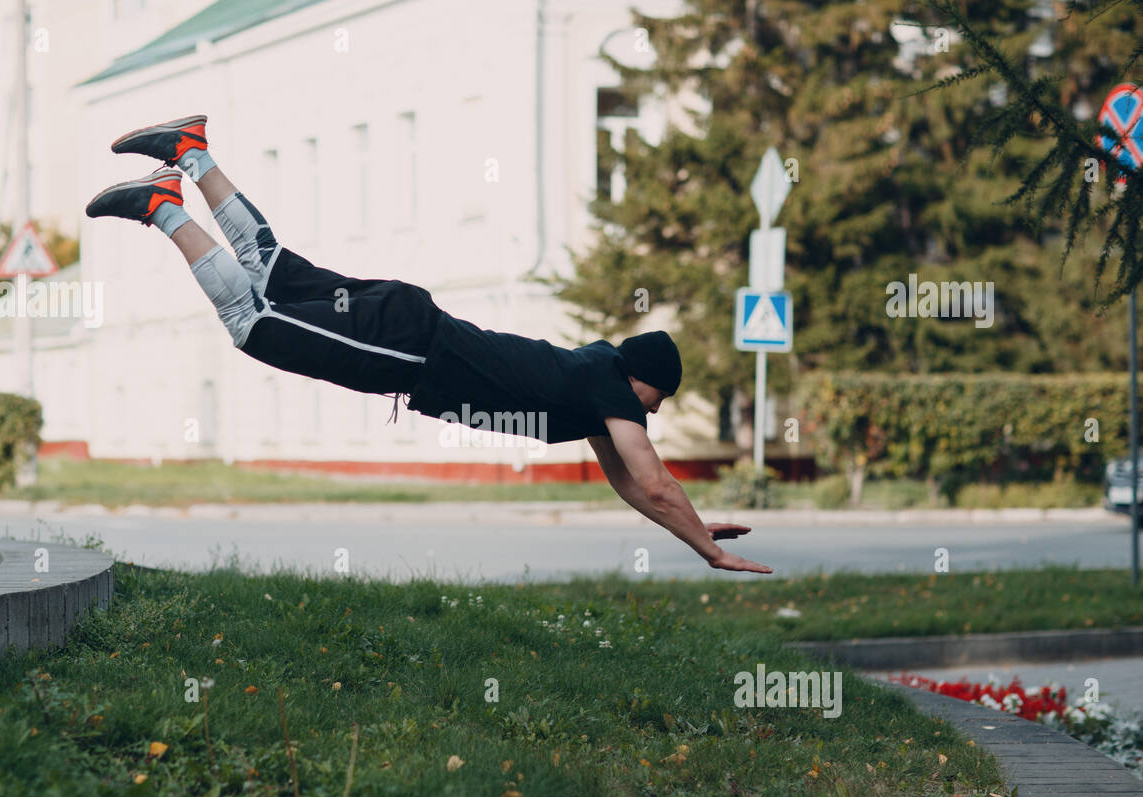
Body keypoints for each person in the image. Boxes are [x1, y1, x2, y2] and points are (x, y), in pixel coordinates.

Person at [85, 115, 772, 574]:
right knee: (253, 320)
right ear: (648, 382)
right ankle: (165, 205)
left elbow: (630, 486)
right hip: (409, 349)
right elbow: (653, 479)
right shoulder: (611, 390)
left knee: (267, 265)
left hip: (408, 321)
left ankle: (192, 151)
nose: (650, 417)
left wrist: (696, 533)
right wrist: (709, 550)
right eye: (658, 402)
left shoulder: (594, 386)